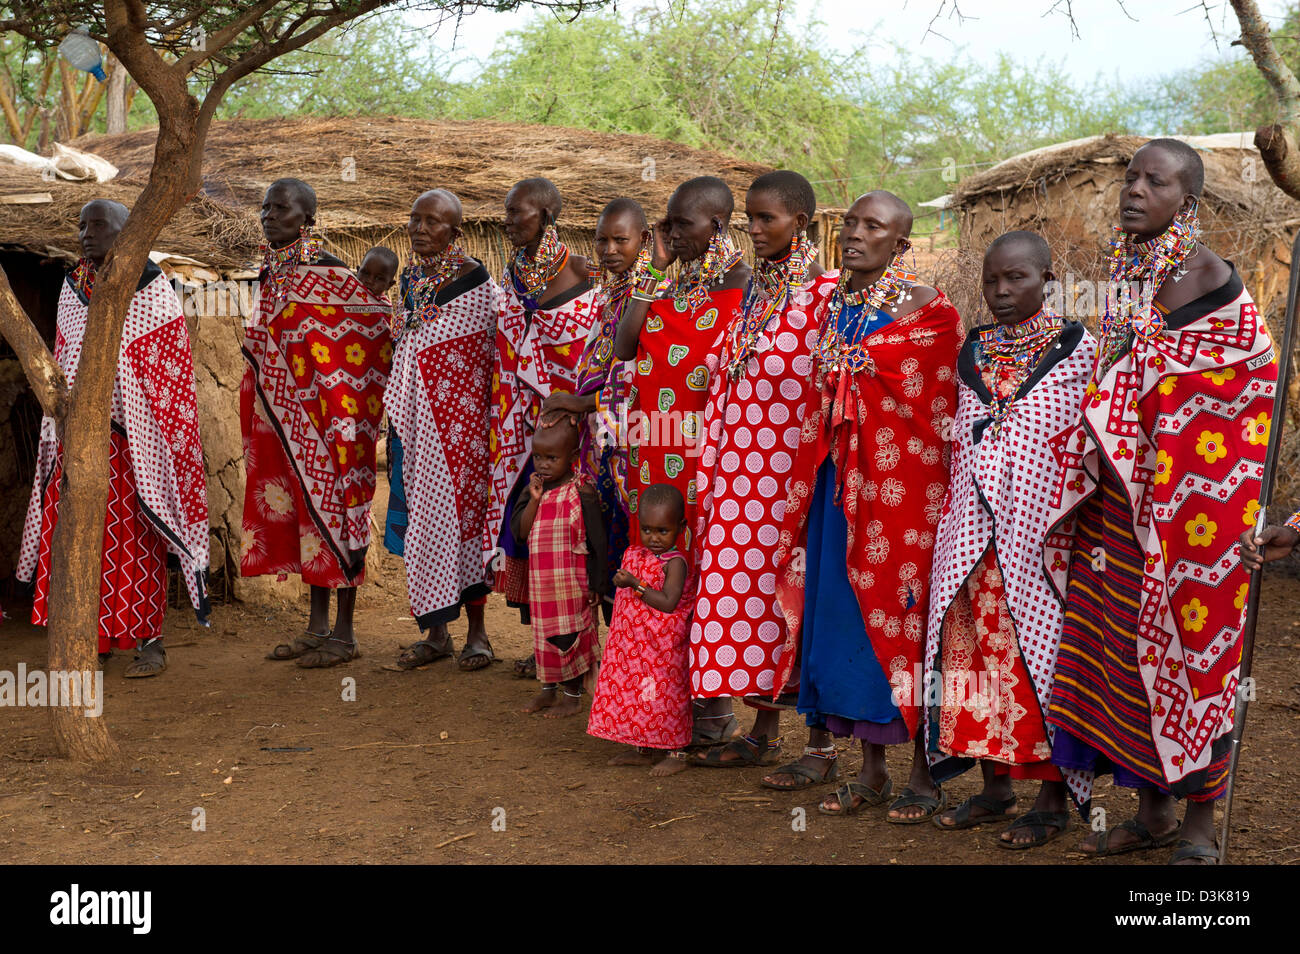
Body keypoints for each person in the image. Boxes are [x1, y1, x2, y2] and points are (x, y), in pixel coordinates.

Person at [1043, 139, 1278, 864]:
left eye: (1156, 180)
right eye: (1131, 177)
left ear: (1190, 203)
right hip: (1126, 505)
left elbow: (1241, 390)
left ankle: (1201, 823)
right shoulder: (1135, 270)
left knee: (1197, 658)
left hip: (1198, 512)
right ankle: (1152, 814)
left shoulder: (1203, 282)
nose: (1134, 190)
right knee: (1127, 656)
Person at [771, 190, 961, 820]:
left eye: (871, 226)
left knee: (905, 621)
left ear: (900, 244)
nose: (853, 234)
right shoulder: (836, 304)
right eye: (850, 222)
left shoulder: (930, 313)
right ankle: (870, 771)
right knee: (843, 617)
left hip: (902, 494)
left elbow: (933, 408)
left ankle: (924, 775)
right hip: (836, 482)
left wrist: (861, 371)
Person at [924, 231, 1095, 846]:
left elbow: (1086, 447)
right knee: (974, 661)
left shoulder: (1080, 350)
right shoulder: (973, 351)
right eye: (992, 280)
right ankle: (994, 786)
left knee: (1043, 666)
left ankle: (1051, 800)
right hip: (972, 542)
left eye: (1016, 278)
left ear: (1048, 279)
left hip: (1045, 545)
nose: (1000, 291)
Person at [684, 170, 840, 775]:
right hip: (741, 483)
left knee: (800, 604)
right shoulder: (755, 296)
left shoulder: (828, 296)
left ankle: (821, 747)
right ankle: (761, 732)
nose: (753, 229)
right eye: (749, 219)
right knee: (751, 605)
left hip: (795, 485)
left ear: (800, 222)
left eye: (765, 219)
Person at [18, 199, 210, 678]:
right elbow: (64, 356)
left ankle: (150, 642)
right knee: (79, 536)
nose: (87, 233)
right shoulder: (72, 286)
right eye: (81, 224)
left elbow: (168, 376)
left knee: (137, 538)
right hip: (79, 436)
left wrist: (132, 417)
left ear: (127, 230)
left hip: (135, 443)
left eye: (99, 224)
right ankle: (91, 638)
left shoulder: (151, 288)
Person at [612, 176, 751, 748]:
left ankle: (713, 710)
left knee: (705, 575)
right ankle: (664, 705)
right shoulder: (669, 289)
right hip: (656, 458)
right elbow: (624, 346)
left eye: (680, 224)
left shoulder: (746, 290)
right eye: (664, 223)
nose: (669, 233)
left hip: (711, 462)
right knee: (659, 566)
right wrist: (653, 270)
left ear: (716, 226)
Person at [243, 178, 393, 668]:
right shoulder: (272, 273)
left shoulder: (329, 274)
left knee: (341, 513)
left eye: (280, 207)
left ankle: (345, 635)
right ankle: (315, 627)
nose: (268, 214)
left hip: (339, 424)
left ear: (308, 220)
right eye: (265, 207)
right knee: (309, 514)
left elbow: (376, 326)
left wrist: (343, 407)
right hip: (290, 421)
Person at [383, 190, 501, 671]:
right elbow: (412, 341)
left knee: (465, 522)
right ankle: (436, 634)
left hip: (462, 428)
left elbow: (485, 351)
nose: (419, 228)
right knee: (424, 521)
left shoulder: (476, 279)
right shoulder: (411, 277)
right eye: (415, 220)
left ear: (455, 231)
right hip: (415, 422)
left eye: (432, 222)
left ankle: (478, 635)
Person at [485, 177, 598, 673]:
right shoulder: (511, 276)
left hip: (570, 427)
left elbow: (598, 349)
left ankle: (578, 651)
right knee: (527, 526)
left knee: (568, 530)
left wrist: (572, 407)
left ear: (547, 217)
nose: (508, 222)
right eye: (508, 213)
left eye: (518, 214)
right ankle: (543, 647)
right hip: (518, 422)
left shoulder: (583, 273)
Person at [541, 198, 651, 620]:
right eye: (602, 240)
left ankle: (631, 662)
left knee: (627, 545)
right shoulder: (611, 295)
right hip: (600, 446)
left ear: (644, 240)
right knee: (600, 551)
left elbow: (640, 379)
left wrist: (581, 402)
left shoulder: (651, 300)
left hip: (631, 448)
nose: (609, 250)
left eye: (620, 240)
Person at [587, 483, 696, 776]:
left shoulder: (676, 563)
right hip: (637, 649)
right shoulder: (635, 553)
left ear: (680, 527)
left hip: (662, 651)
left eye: (663, 531)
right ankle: (643, 747)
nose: (655, 538)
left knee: (664, 698)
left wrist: (635, 584)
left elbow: (669, 603)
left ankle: (676, 752)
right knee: (638, 696)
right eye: (647, 530)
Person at [511, 414, 607, 718]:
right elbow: (521, 532)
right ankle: (548, 691)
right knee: (544, 636)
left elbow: (598, 543)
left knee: (570, 639)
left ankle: (572, 696)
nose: (543, 465)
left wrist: (597, 584)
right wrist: (535, 500)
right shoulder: (533, 491)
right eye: (538, 456)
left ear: (573, 457)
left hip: (573, 586)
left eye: (552, 458)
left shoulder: (583, 492)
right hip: (543, 586)